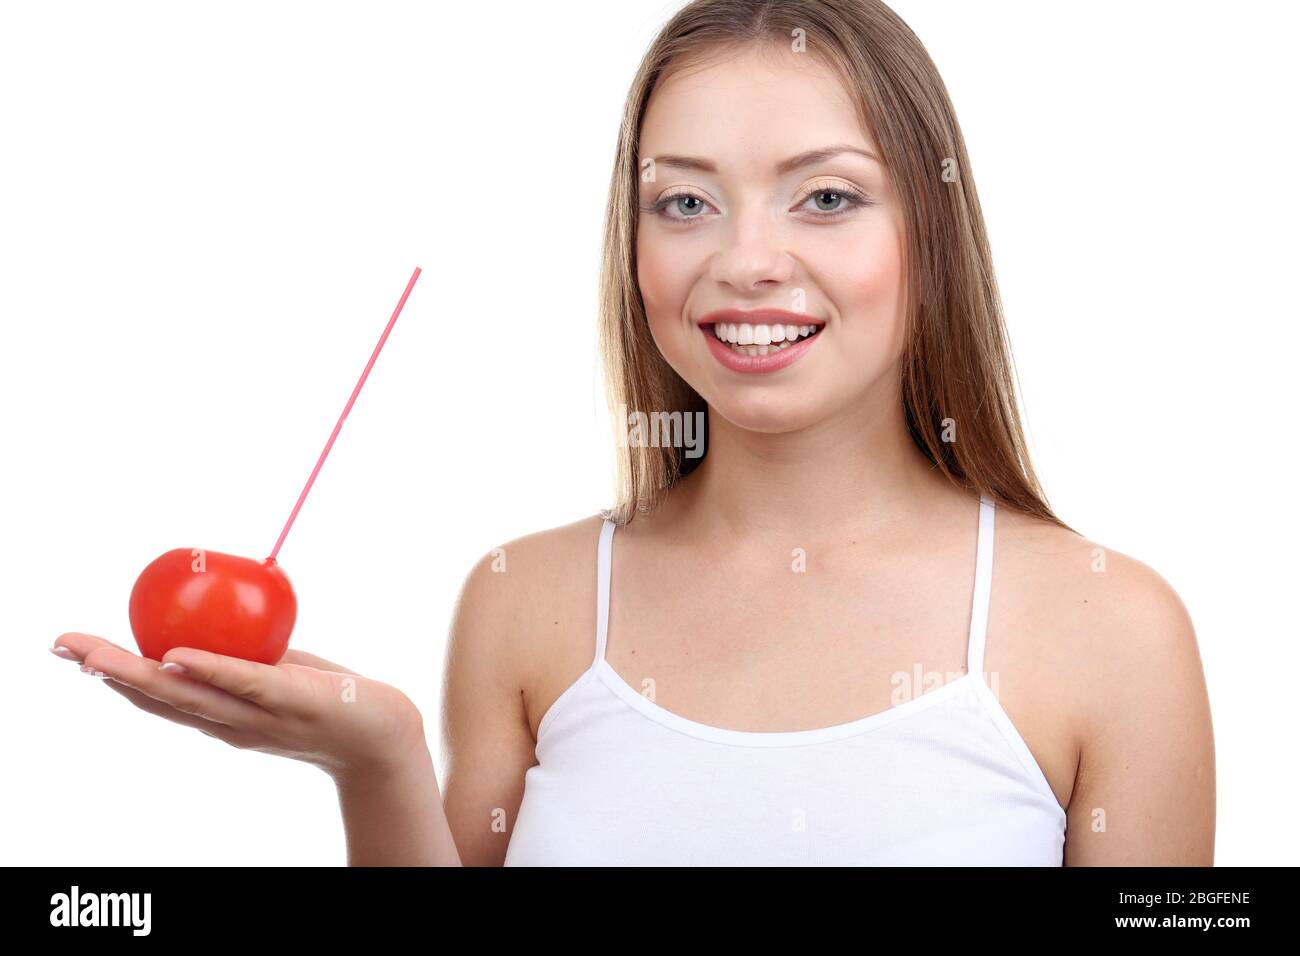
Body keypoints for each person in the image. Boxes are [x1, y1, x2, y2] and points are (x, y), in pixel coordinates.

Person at [51, 0, 1214, 866]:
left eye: (826, 195)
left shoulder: (1112, 629)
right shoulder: (528, 599)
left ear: (932, 231)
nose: (744, 260)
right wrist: (378, 758)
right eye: (685, 202)